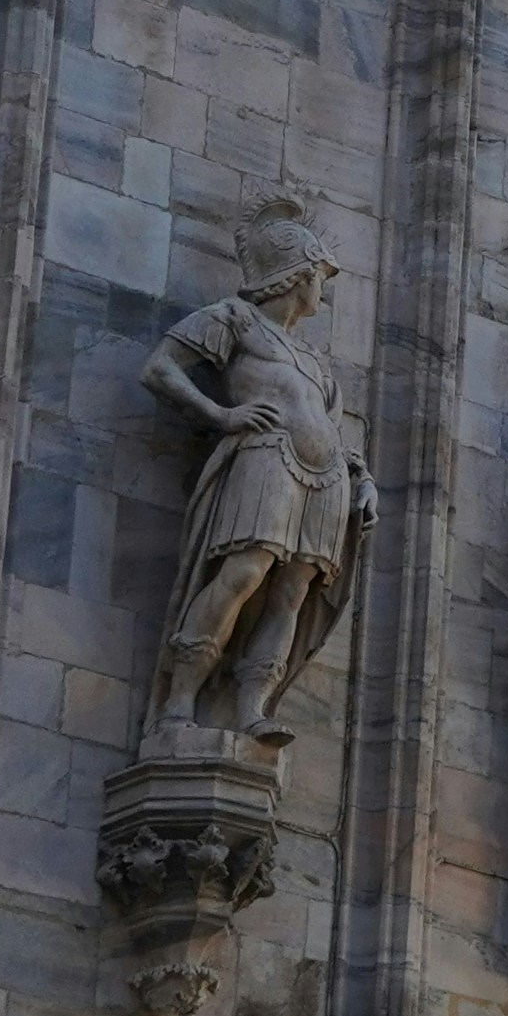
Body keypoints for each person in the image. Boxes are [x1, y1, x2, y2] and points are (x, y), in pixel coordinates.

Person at [140, 200, 369, 743]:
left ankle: (252, 707)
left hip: (327, 478)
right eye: (319, 276)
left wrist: (363, 481)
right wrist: (220, 414)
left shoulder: (313, 358)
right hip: (267, 457)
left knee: (291, 593)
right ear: (296, 275)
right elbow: (160, 368)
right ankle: (179, 701)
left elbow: (334, 428)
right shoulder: (235, 319)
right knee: (243, 574)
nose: (322, 291)